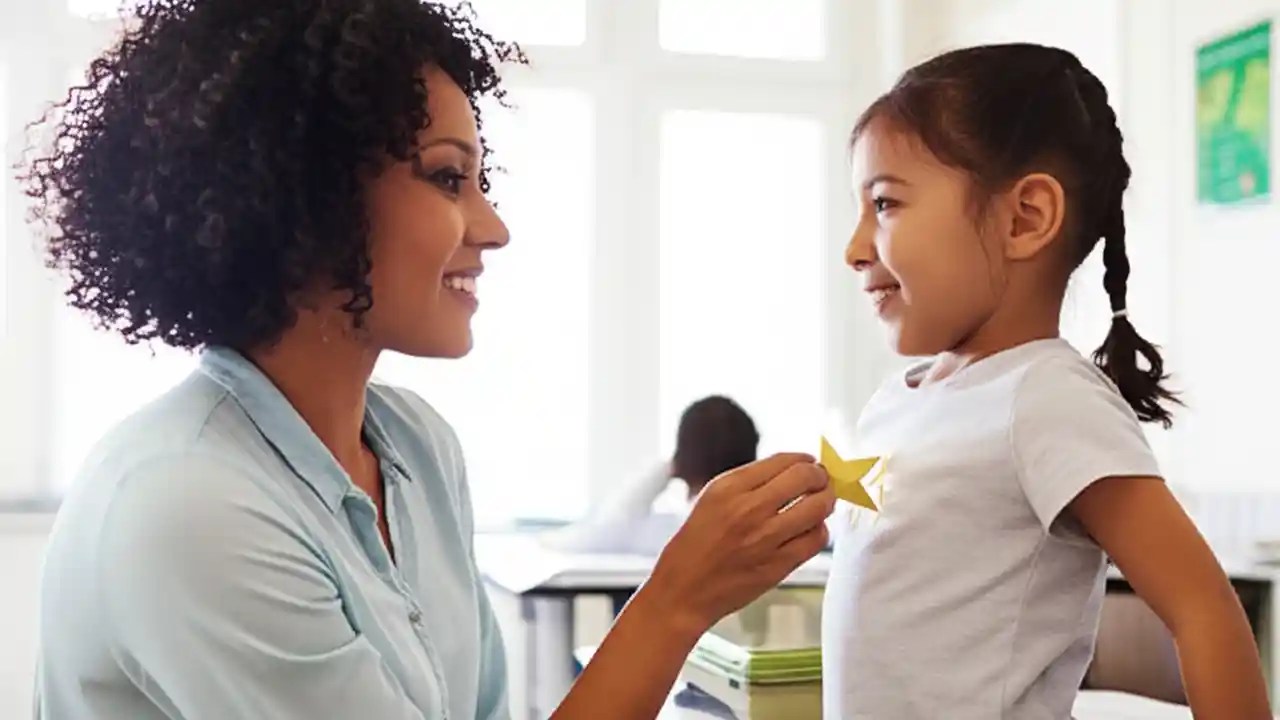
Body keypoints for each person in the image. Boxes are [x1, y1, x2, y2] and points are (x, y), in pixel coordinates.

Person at [20, 2, 836, 719]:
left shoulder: (417, 450)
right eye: (448, 178)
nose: (493, 228)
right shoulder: (189, 506)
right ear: (311, 197)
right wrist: (676, 601)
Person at [823, 43, 1270, 719]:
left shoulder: (1046, 399)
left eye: (884, 203)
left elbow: (1201, 607)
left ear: (1025, 217)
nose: (855, 249)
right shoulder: (896, 401)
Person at [546, 395, 759, 556]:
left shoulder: (669, 536)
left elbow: (597, 533)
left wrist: (667, 468)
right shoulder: (759, 535)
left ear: (683, 459)